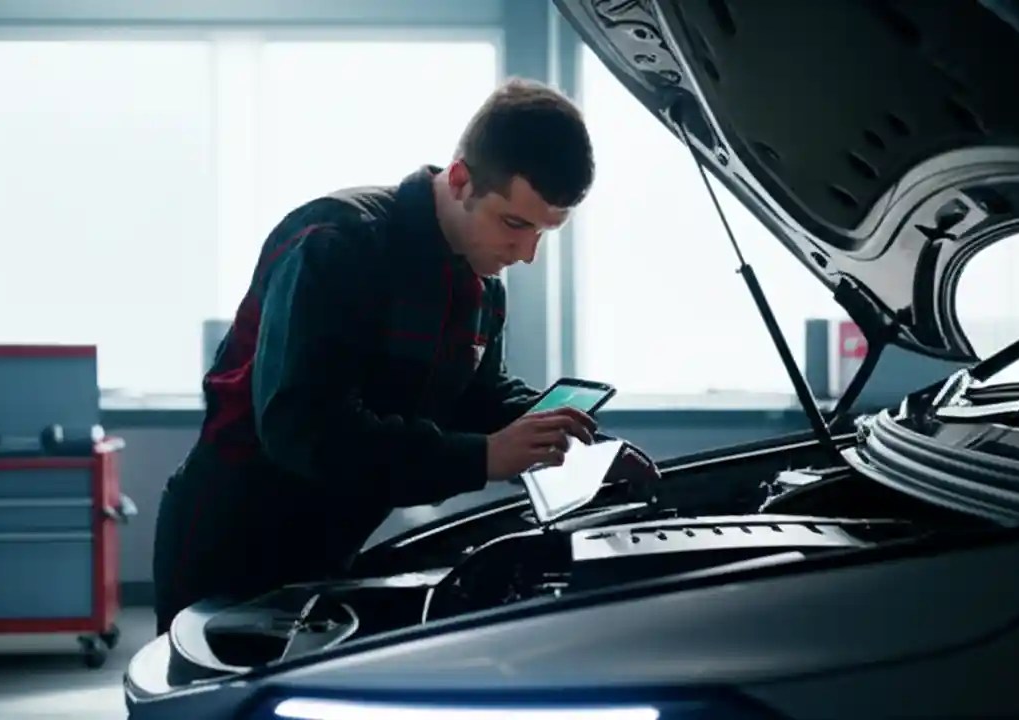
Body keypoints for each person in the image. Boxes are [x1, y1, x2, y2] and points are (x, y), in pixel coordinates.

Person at [152, 77, 657, 634]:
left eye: (545, 231)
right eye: (514, 224)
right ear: (461, 179)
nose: (527, 254)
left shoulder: (481, 279)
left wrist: (580, 445)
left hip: (332, 540)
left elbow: (475, 395)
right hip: (233, 538)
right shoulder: (336, 245)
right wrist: (483, 458)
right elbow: (305, 428)